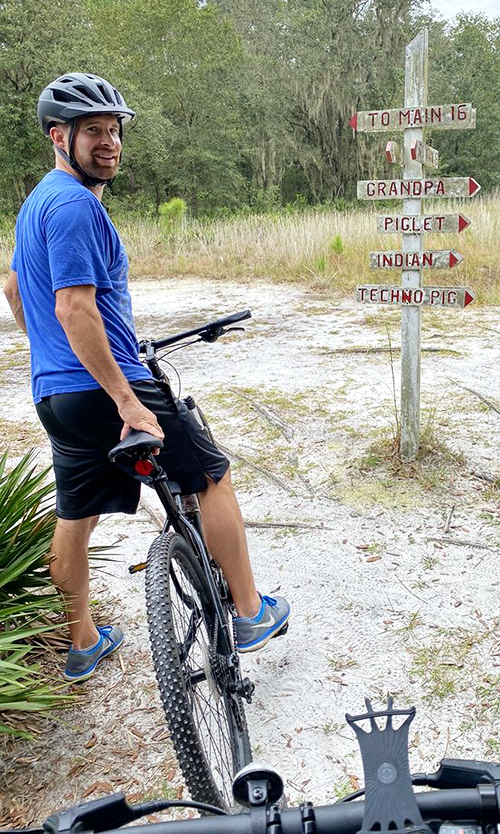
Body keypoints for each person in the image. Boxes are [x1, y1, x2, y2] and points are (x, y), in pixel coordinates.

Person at [3, 72, 289, 682]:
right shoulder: (75, 205)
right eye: (92, 131)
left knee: (74, 517)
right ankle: (249, 611)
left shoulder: (36, 204)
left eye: (114, 130)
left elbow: (14, 289)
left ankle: (83, 643)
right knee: (212, 476)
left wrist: (51, 354)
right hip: (107, 390)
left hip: (56, 397)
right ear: (58, 136)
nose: (109, 142)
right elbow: (73, 308)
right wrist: (126, 400)